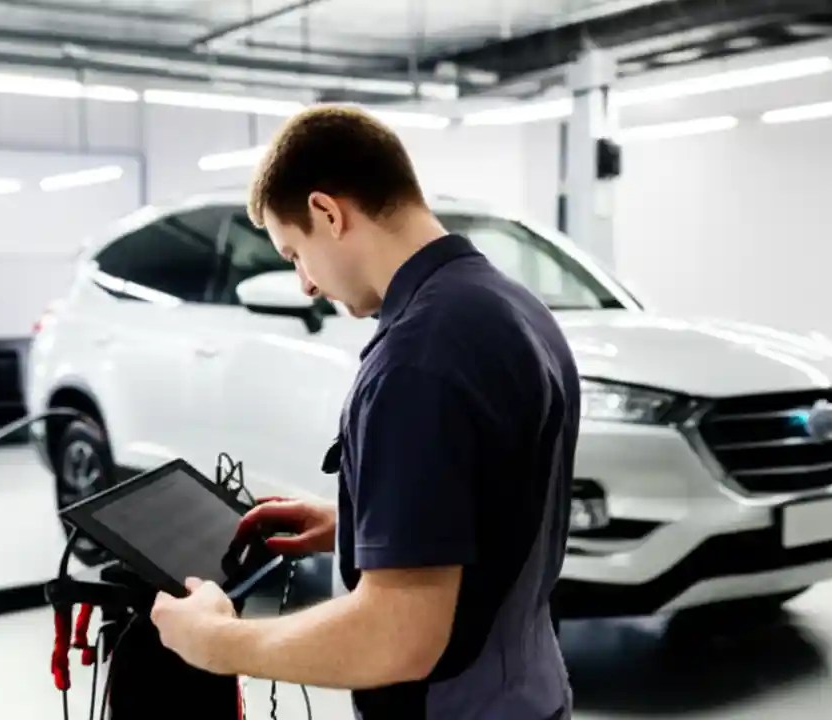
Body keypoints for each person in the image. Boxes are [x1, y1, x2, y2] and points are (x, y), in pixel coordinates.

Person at [151, 105, 580, 719]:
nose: (304, 284)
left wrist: (215, 642)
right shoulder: (510, 306)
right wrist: (359, 525)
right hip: (532, 696)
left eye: (294, 253)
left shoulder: (416, 358)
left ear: (328, 213)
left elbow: (397, 636)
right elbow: (505, 508)